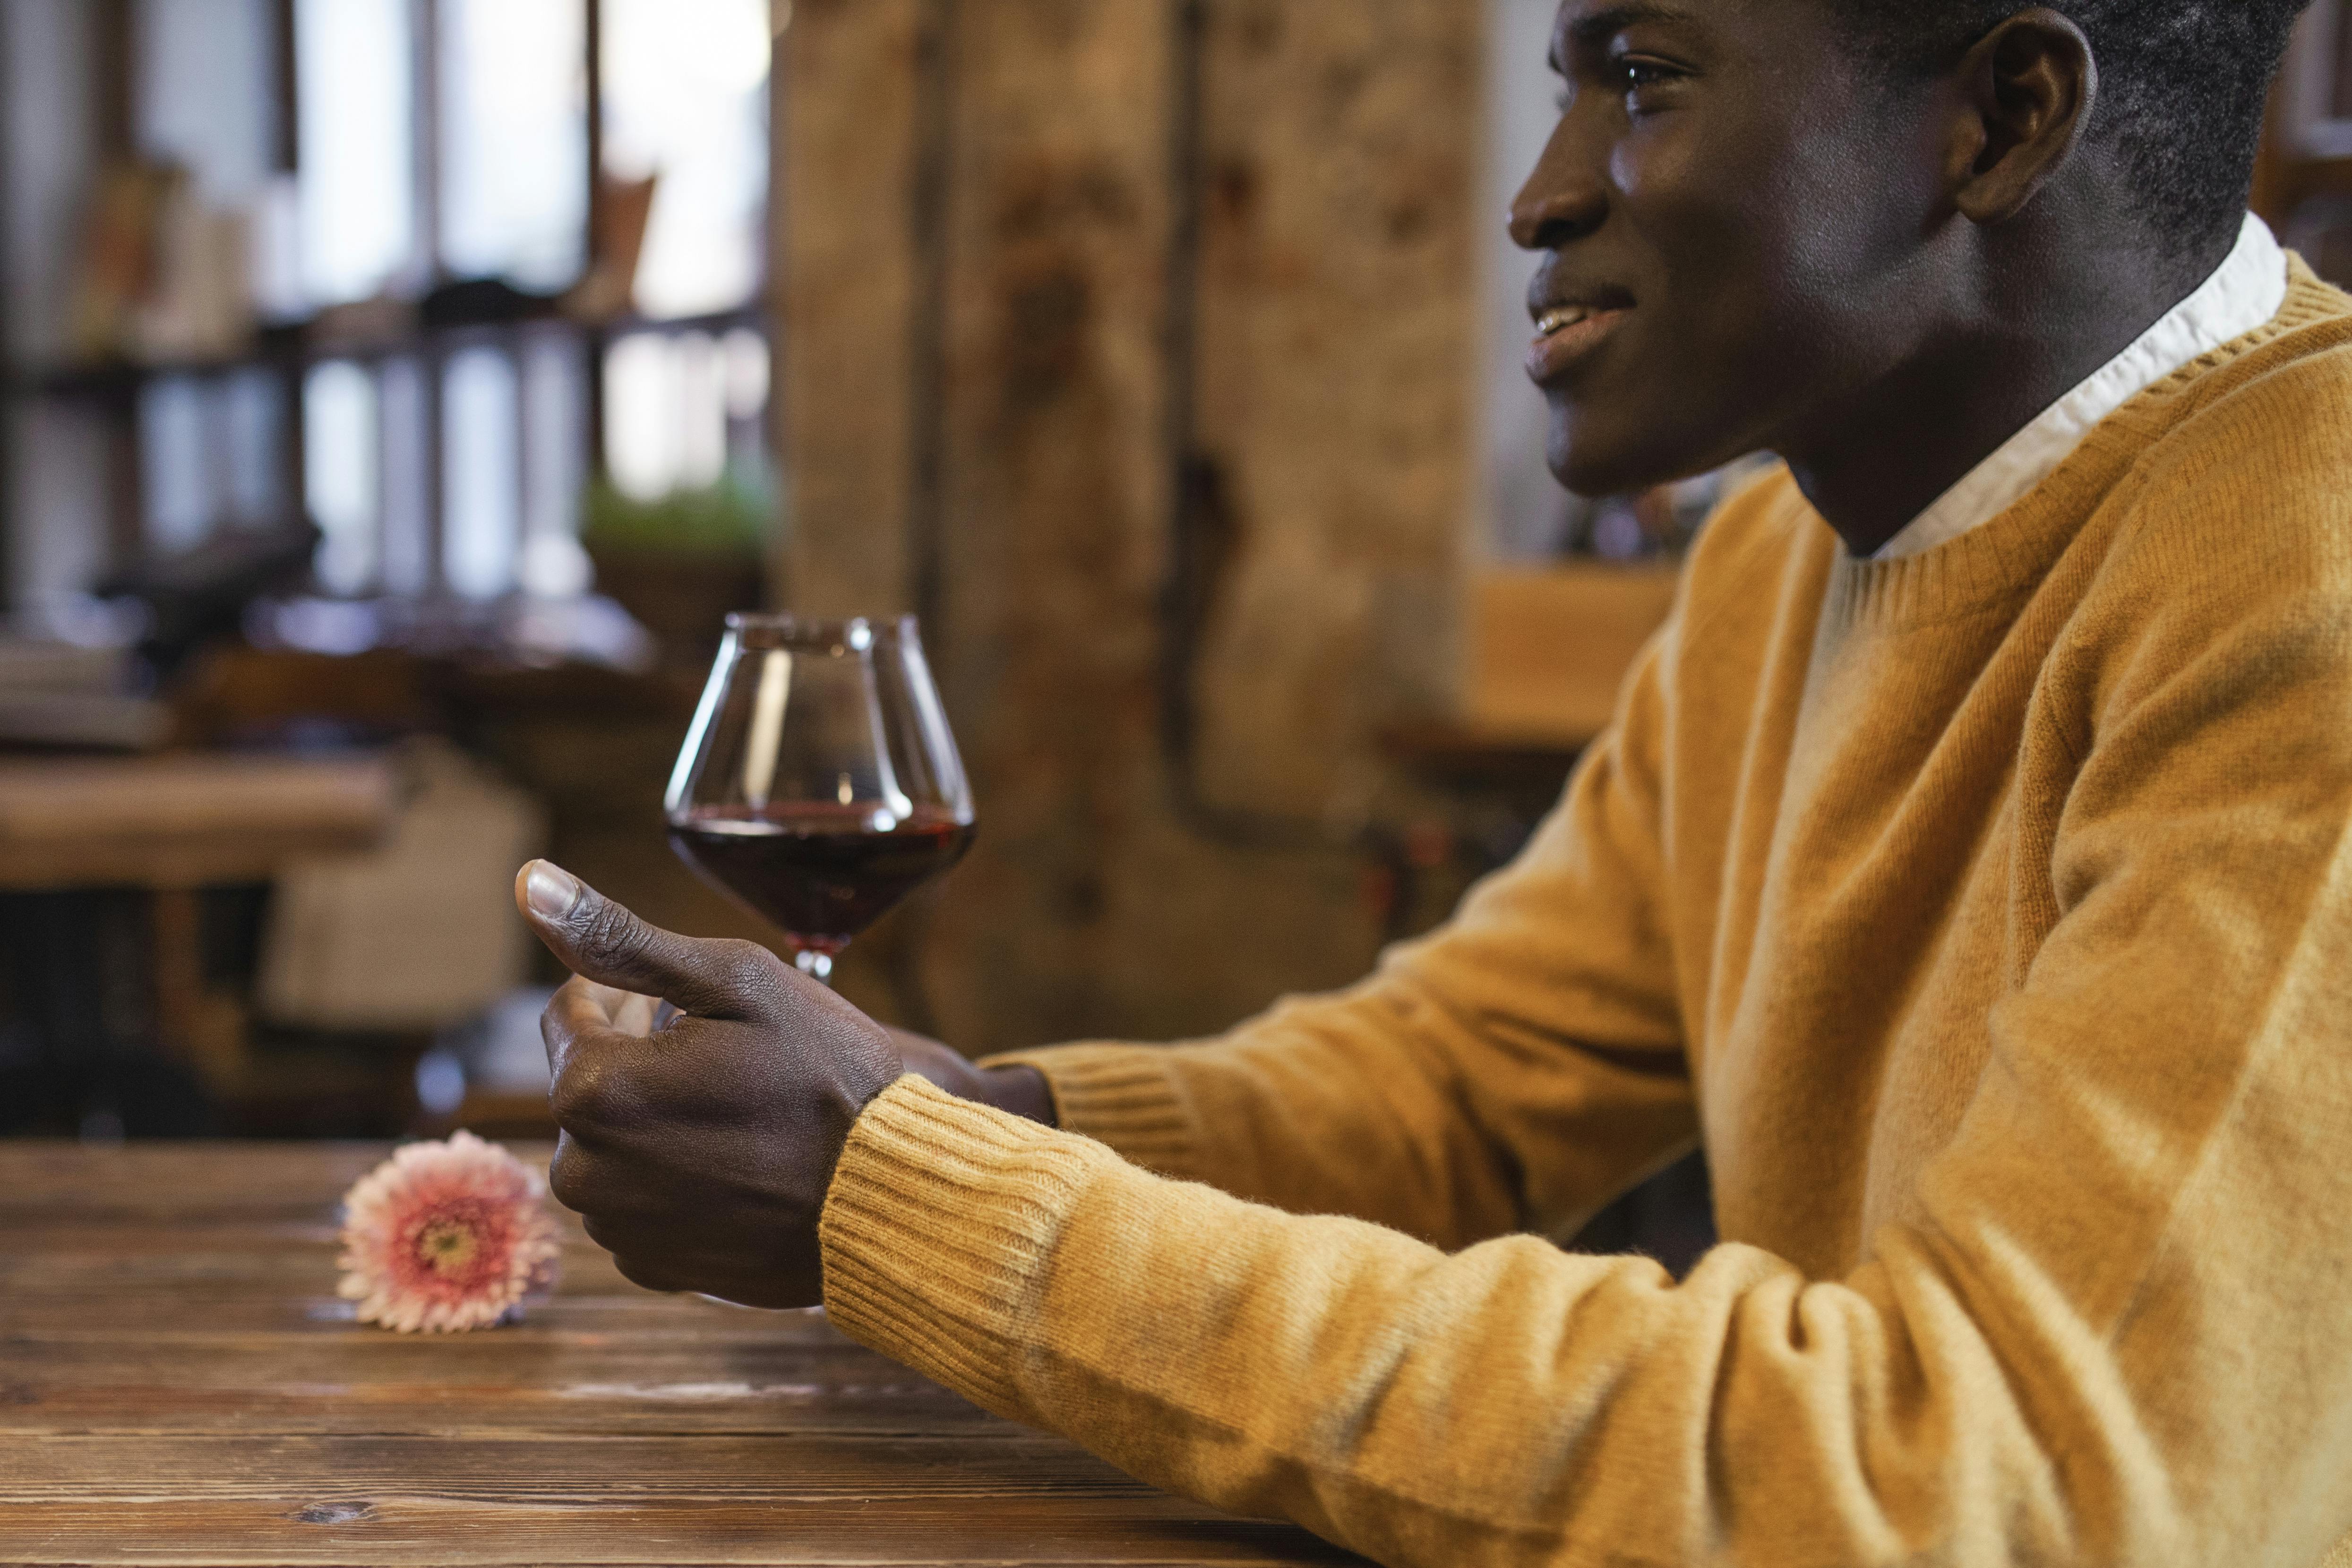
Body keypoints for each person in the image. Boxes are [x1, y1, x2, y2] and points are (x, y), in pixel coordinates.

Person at [512, 0, 2352, 1560]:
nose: (1542, 193)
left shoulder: (2306, 564)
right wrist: (963, 1123)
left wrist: (914, 1199)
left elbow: (1983, 1475)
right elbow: (1460, 1085)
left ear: (2001, 122)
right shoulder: (1779, 560)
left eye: (1643, 78)